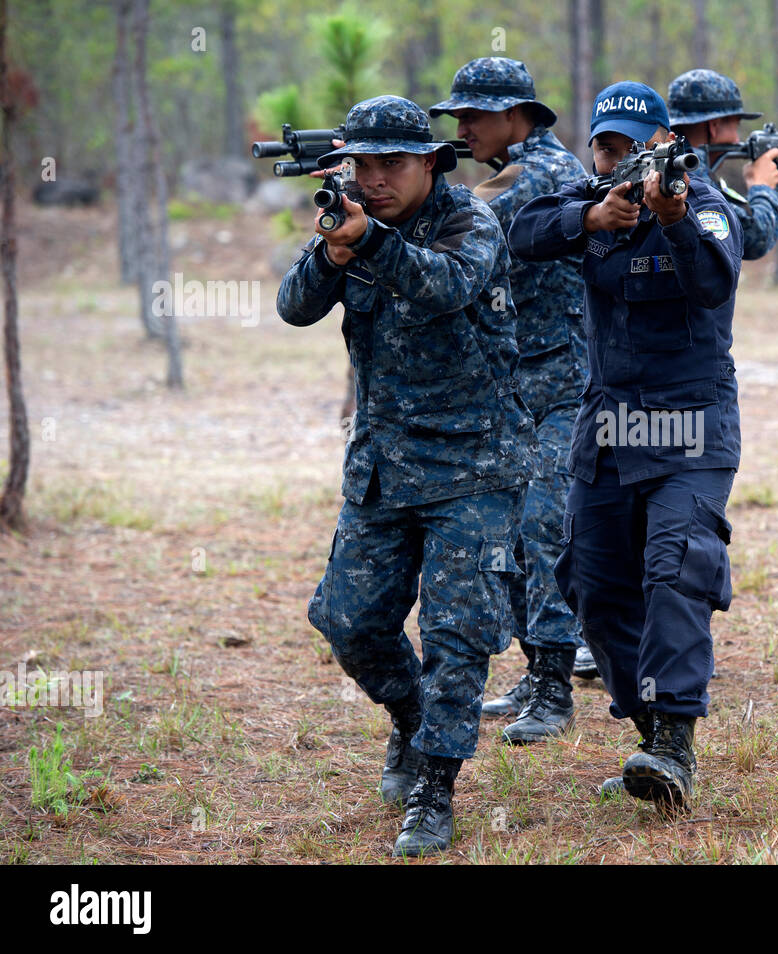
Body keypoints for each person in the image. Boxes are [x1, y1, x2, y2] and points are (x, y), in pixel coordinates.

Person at [276, 95, 536, 856]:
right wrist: (333, 249)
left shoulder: (471, 222)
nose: (377, 178)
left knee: (458, 637)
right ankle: (411, 718)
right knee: (349, 622)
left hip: (474, 467)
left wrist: (373, 242)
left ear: (430, 162)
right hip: (385, 467)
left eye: (394, 163)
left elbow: (445, 284)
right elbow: (294, 309)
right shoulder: (350, 220)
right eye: (364, 164)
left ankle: (435, 788)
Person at [508, 82, 743, 809]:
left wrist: (668, 217)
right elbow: (524, 231)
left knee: (674, 570)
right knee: (594, 583)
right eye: (604, 145)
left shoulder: (702, 202)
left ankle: (674, 740)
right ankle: (649, 731)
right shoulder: (595, 198)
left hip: (689, 431)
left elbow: (710, 281)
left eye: (626, 146)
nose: (613, 156)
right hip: (609, 428)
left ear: (661, 145)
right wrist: (591, 213)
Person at [428, 58, 596, 744]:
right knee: (519, 539)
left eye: (473, 116)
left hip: (564, 383)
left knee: (543, 528)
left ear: (517, 116)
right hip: (521, 385)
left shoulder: (543, 174)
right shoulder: (512, 171)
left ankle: (556, 688)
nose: (463, 128)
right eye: (456, 118)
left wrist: (396, 185)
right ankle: (536, 674)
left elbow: (463, 223)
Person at [666, 69, 778, 261]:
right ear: (714, 126)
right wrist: (762, 187)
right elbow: (750, 239)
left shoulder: (670, 164)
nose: (738, 139)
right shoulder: (692, 178)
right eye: (735, 127)